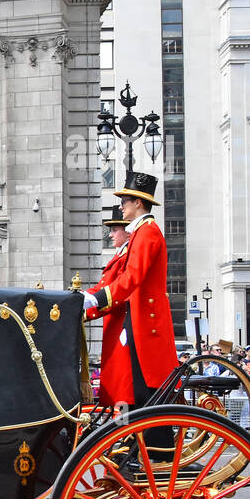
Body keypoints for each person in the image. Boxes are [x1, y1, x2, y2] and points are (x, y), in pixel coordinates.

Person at [81, 174, 179, 455]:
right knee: (138, 391)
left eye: (125, 201)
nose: (122, 206)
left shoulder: (148, 232)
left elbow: (133, 277)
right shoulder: (140, 232)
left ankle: (158, 453)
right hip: (136, 320)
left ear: (138, 202)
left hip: (145, 324)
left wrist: (97, 298)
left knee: (147, 391)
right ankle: (144, 448)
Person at [84, 206, 132, 407]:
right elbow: (103, 288)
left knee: (122, 388)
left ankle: (123, 427)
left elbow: (115, 290)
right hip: (114, 325)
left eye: (114, 230)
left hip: (123, 325)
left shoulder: (127, 255)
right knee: (116, 384)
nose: (110, 234)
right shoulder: (120, 255)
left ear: (127, 230)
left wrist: (88, 304)